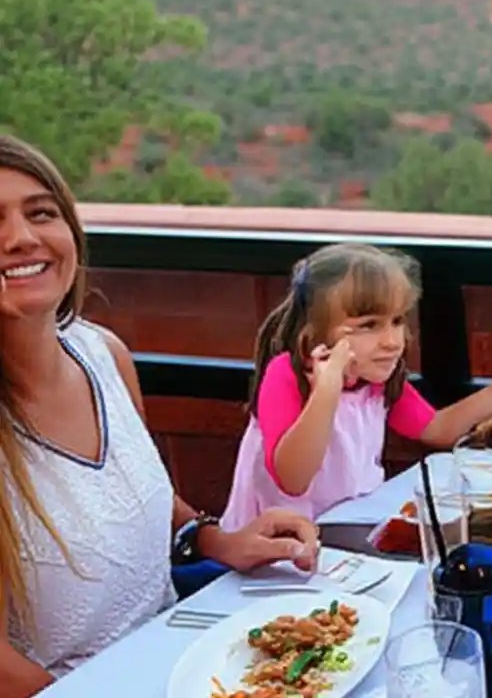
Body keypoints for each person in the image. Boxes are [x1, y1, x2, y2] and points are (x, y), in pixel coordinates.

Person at [0, 134, 320, 692]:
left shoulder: (103, 354)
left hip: (185, 654)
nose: (22, 239)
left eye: (41, 213)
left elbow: (131, 491)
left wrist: (217, 539)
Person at [220, 242, 492, 531]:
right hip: (273, 550)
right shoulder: (285, 376)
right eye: (368, 326)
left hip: (344, 537)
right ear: (316, 333)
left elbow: (438, 429)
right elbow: (293, 479)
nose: (392, 341)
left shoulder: (378, 381)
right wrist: (326, 391)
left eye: (397, 321)